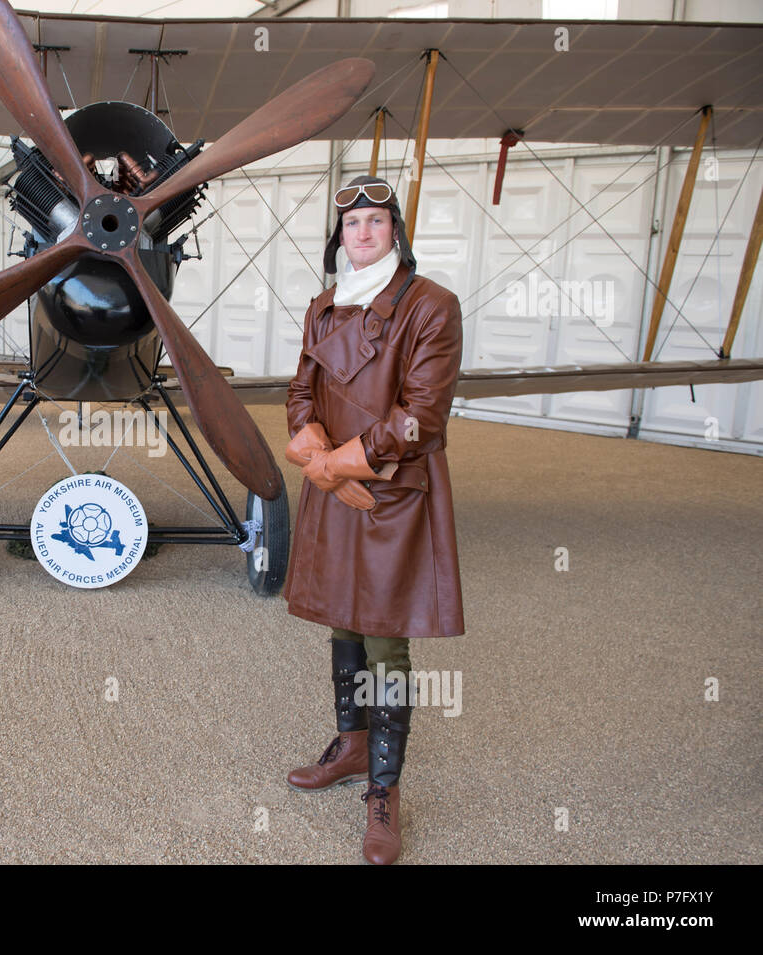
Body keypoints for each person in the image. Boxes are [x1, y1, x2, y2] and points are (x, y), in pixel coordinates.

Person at [283, 175, 464, 865]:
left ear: (396, 231)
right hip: (338, 482)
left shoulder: (431, 306)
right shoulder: (323, 307)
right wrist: (316, 450)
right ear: (340, 237)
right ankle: (351, 745)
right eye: (352, 223)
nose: (363, 232)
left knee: (386, 640)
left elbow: (421, 414)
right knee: (342, 618)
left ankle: (384, 794)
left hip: (393, 487)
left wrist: (341, 465)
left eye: (376, 221)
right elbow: (302, 390)